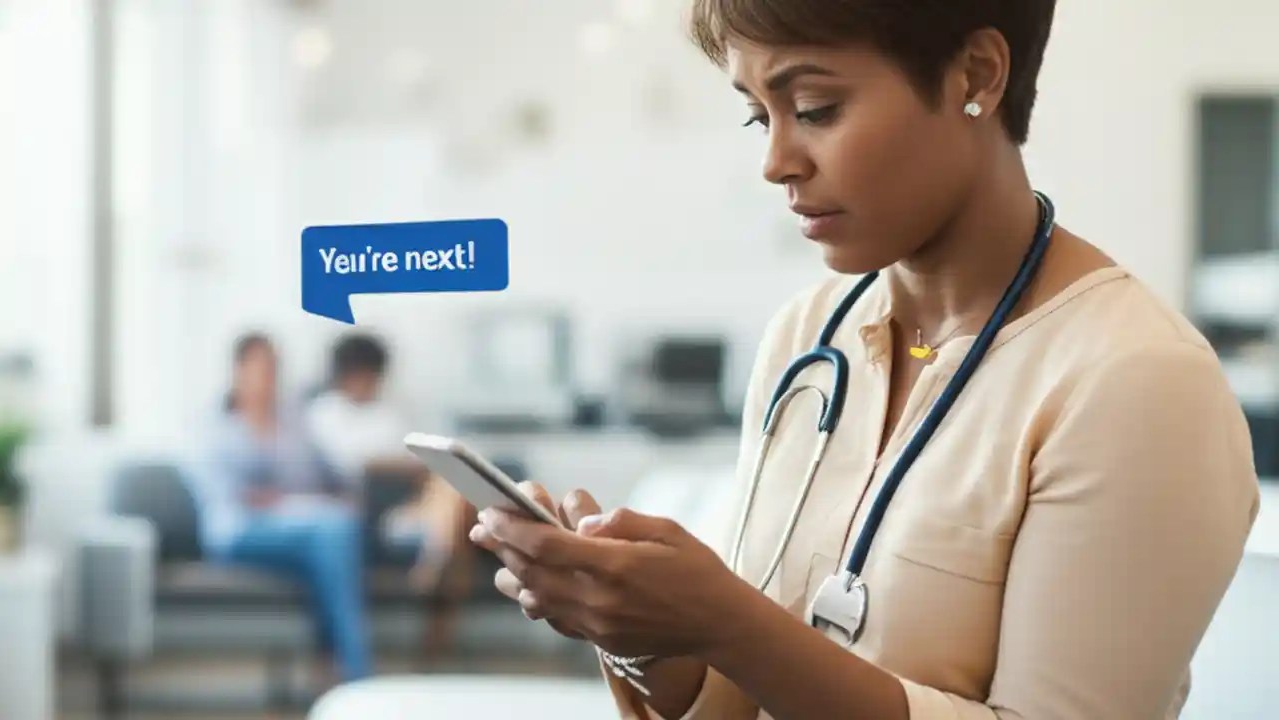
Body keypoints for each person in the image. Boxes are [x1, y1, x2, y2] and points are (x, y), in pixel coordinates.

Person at [467, 2, 1262, 719]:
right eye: (758, 117)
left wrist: (727, 622)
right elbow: (726, 710)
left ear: (976, 76)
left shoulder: (1136, 381)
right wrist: (635, 624)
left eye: (815, 108)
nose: (777, 161)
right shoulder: (807, 339)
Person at [187, 332, 373, 686]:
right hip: (240, 532)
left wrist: (343, 494)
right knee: (333, 535)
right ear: (239, 370)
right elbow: (219, 494)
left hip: (302, 531)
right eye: (261, 368)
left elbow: (330, 473)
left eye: (274, 369)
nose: (269, 377)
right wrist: (276, 500)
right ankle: (355, 674)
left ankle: (334, 671)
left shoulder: (293, 420)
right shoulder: (214, 425)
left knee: (333, 542)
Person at [305, 332, 470, 590]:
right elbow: (351, 465)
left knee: (453, 494)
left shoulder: (392, 411)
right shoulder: (325, 412)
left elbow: (419, 457)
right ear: (344, 375)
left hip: (417, 499)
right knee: (454, 509)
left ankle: (437, 556)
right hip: (374, 511)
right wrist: (406, 466)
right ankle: (438, 556)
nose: (369, 383)